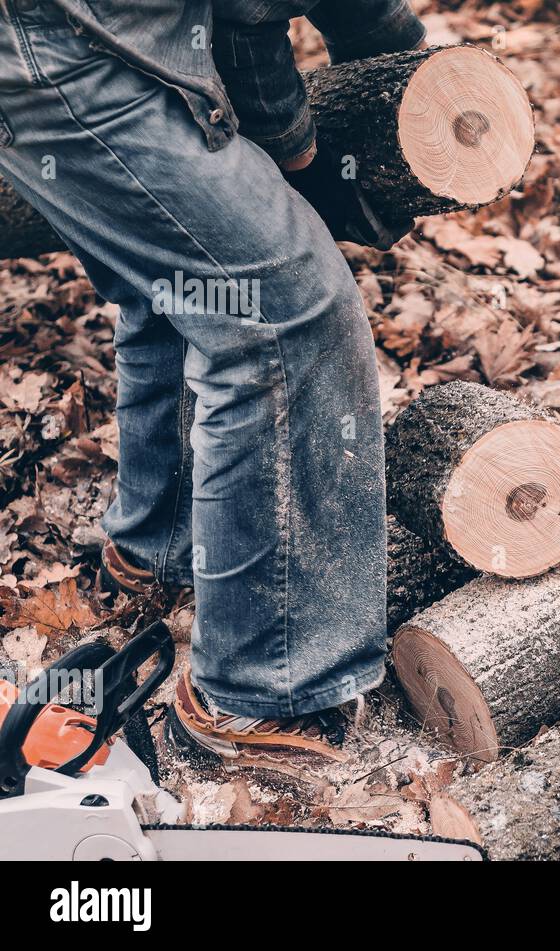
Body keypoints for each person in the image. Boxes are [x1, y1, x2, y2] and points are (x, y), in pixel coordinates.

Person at [0, 0, 426, 769]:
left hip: (82, 27)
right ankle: (269, 684)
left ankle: (159, 552)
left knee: (184, 272)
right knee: (283, 312)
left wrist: (409, 62)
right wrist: (296, 156)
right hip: (62, 37)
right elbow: (246, 21)